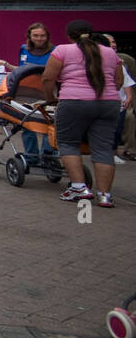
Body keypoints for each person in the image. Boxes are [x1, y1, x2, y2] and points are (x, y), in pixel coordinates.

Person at [42, 20, 125, 208]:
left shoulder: (63, 50)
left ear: (69, 35)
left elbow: (48, 78)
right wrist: (107, 95)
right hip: (109, 103)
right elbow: (118, 80)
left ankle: (79, 189)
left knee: (69, 143)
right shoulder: (110, 52)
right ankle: (105, 195)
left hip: (74, 102)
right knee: (103, 148)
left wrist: (50, 99)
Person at [19, 23, 55, 163]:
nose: (39, 38)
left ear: (47, 37)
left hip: (48, 93)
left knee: (50, 125)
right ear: (29, 36)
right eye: (35, 35)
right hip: (26, 94)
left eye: (42, 36)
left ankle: (47, 156)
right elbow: (20, 71)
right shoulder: (23, 49)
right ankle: (31, 156)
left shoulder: (55, 51)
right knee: (28, 126)